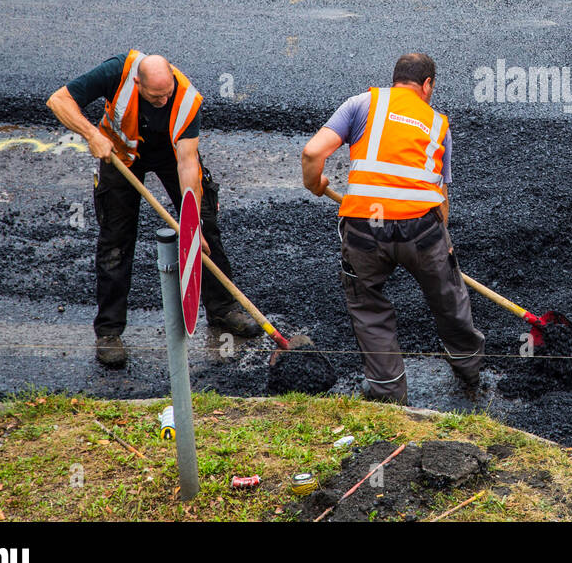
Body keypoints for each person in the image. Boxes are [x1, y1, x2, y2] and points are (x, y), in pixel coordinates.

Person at [47, 51, 259, 368]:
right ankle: (109, 332)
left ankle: (223, 308)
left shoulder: (187, 99)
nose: (161, 101)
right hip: (118, 151)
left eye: (166, 95)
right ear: (137, 83)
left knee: (206, 226)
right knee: (115, 241)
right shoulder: (116, 73)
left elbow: (188, 164)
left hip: (170, 153)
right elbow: (58, 100)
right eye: (154, 96)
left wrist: (192, 224)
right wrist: (92, 135)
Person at [300, 54, 484, 404]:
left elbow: (312, 153)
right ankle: (469, 368)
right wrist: (443, 249)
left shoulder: (363, 103)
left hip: (364, 230)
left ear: (395, 79)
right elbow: (440, 196)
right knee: (448, 298)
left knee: (369, 308)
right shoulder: (437, 123)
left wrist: (314, 184)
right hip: (422, 231)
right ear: (427, 85)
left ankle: (389, 395)